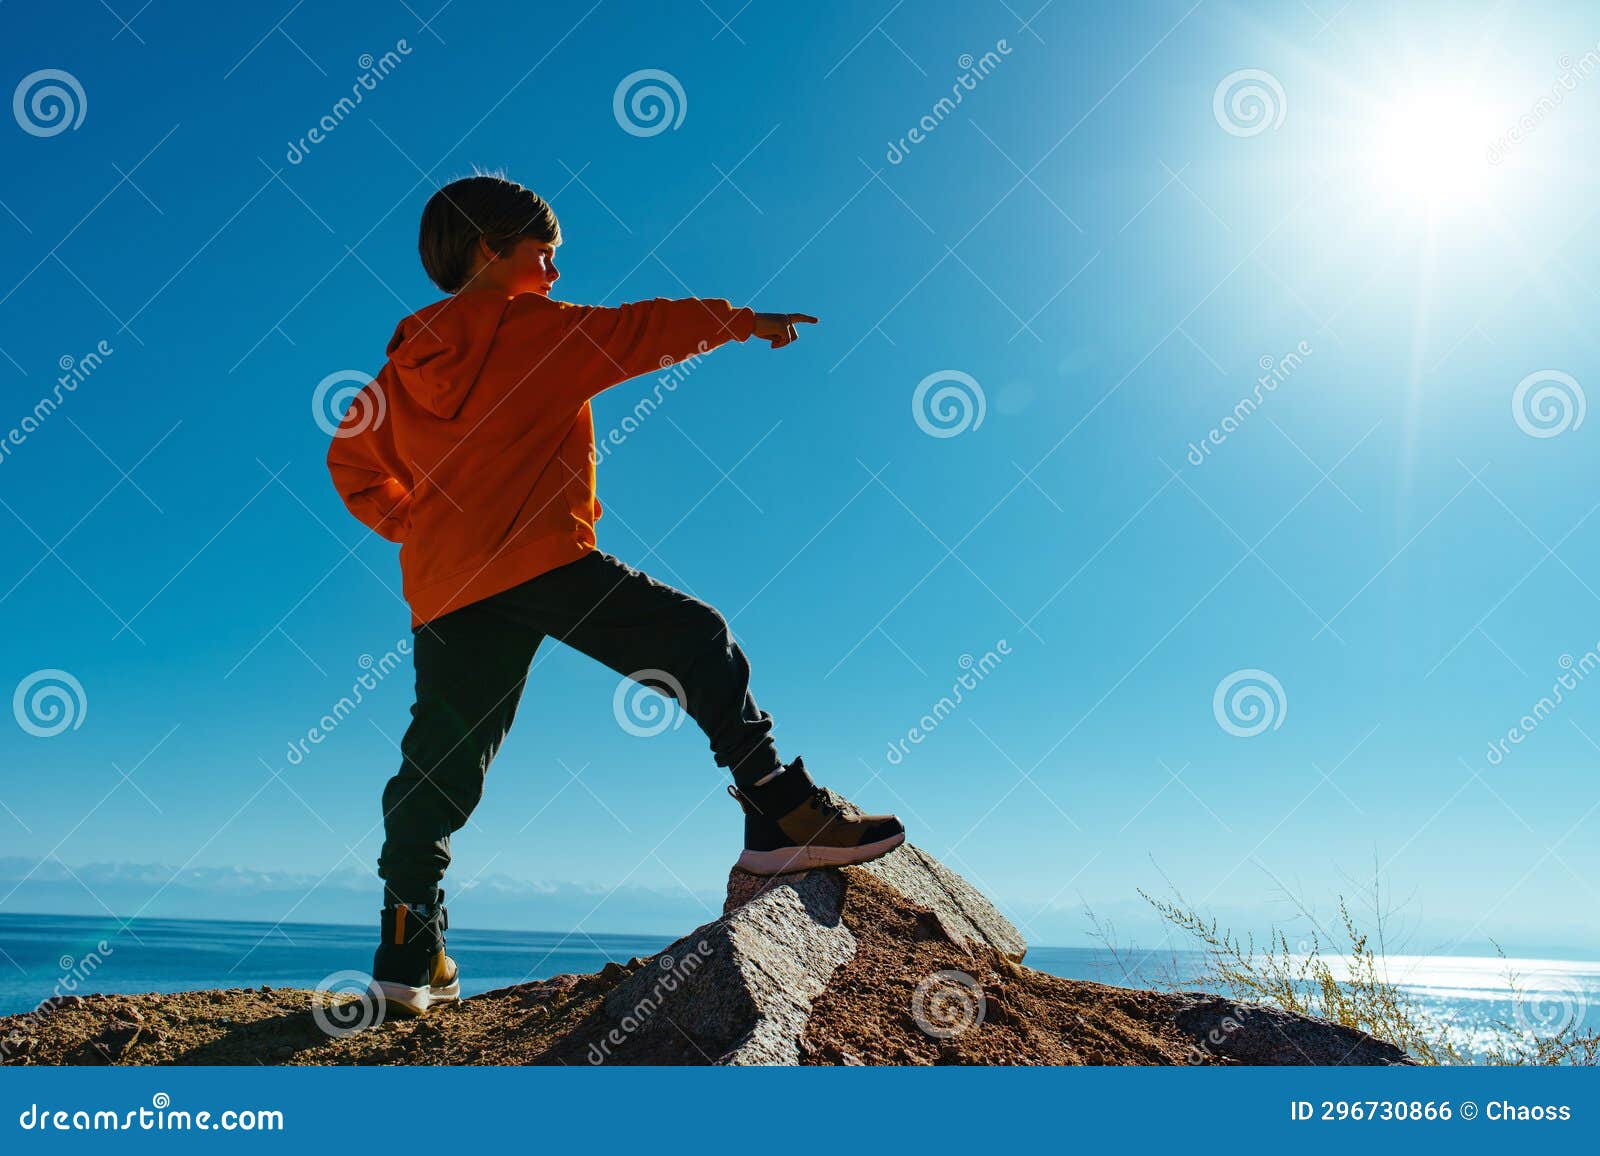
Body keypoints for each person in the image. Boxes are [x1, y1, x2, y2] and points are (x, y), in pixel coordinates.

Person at [326, 173, 905, 1015]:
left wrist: (419, 524)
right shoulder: (535, 329)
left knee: (438, 769)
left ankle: (406, 957)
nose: (557, 264)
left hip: (449, 589)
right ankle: (778, 810)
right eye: (543, 247)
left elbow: (350, 462)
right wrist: (745, 323)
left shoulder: (399, 367)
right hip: (541, 559)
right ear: (491, 250)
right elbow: (645, 330)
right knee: (698, 640)